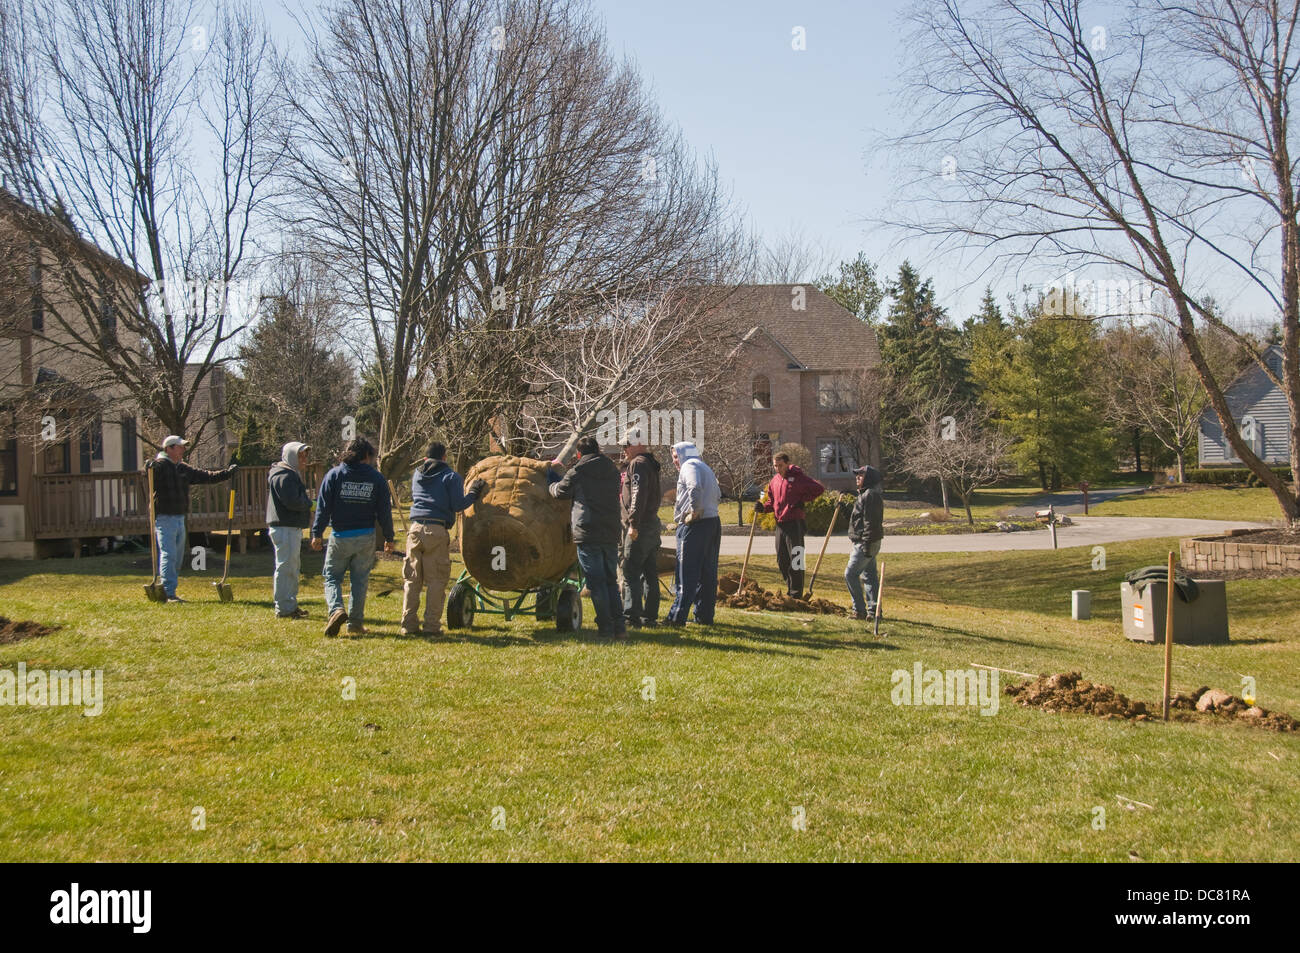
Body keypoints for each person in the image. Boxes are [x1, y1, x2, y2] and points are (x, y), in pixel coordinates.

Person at [310, 438, 395, 637]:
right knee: (360, 580)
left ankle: (336, 609)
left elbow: (323, 508)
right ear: (366, 456)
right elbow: (384, 511)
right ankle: (355, 623)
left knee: (332, 577)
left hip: (340, 535)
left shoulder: (334, 475)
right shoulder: (376, 478)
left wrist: (316, 534)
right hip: (365, 536)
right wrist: (389, 538)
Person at [402, 442, 487, 636]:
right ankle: (431, 626)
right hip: (436, 531)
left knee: (412, 580)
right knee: (436, 581)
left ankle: (408, 625)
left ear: (425, 458)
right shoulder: (450, 477)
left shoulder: (417, 474)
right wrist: (473, 492)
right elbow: (458, 505)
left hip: (414, 530)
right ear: (444, 457)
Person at [548, 436, 625, 639]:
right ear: (598, 450)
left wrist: (551, 483)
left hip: (588, 532)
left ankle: (606, 628)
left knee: (596, 583)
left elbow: (561, 492)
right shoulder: (612, 471)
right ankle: (620, 628)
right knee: (610, 581)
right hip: (610, 531)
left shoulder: (578, 471)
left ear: (579, 454)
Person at [146, 435, 238, 603]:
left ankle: (170, 590)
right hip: (164, 518)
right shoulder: (159, 466)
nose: (183, 450)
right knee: (169, 555)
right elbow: (148, 475)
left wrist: (227, 474)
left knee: (178, 556)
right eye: (180, 447)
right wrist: (148, 468)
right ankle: (167, 593)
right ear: (169, 449)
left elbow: (206, 476)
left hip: (180, 517)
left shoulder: (182, 468)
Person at [753, 451, 825, 598]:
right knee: (782, 559)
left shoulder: (798, 478)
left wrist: (802, 500)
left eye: (780, 465)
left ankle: (796, 594)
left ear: (787, 463)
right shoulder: (775, 481)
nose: (778, 468)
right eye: (775, 466)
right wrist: (763, 508)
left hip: (795, 524)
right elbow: (771, 502)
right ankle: (790, 587)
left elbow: (819, 489)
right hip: (780, 525)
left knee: (796, 559)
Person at [666, 441, 721, 627]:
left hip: (695, 525)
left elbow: (694, 486)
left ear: (683, 454)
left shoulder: (689, 466)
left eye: (675, 456)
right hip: (712, 522)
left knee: (686, 572)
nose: (675, 461)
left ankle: (676, 617)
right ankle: (704, 616)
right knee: (707, 573)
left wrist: (694, 510)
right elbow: (718, 493)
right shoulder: (705, 467)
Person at [620, 428, 662, 628]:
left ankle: (631, 616)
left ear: (638, 443)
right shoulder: (650, 463)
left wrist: (633, 524)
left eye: (626, 445)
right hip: (652, 523)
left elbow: (637, 494)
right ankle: (650, 616)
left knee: (630, 571)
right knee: (650, 572)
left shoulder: (638, 464)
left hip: (641, 525)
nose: (624, 450)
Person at [266, 441, 314, 619]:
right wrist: (310, 504)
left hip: (290, 527)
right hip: (284, 527)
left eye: (305, 455)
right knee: (286, 568)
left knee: (292, 568)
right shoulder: (283, 475)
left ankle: (290, 605)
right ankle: (284, 608)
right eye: (301, 455)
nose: (304, 459)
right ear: (291, 456)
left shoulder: (289, 473)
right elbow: (292, 501)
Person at [845, 465, 885, 620]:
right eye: (857, 475)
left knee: (850, 574)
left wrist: (867, 543)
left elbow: (871, 522)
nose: (857, 478)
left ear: (868, 479)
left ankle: (859, 610)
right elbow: (860, 518)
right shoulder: (866, 494)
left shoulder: (870, 495)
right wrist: (845, 510)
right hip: (868, 540)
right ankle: (874, 611)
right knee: (869, 576)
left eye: (860, 476)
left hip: (866, 541)